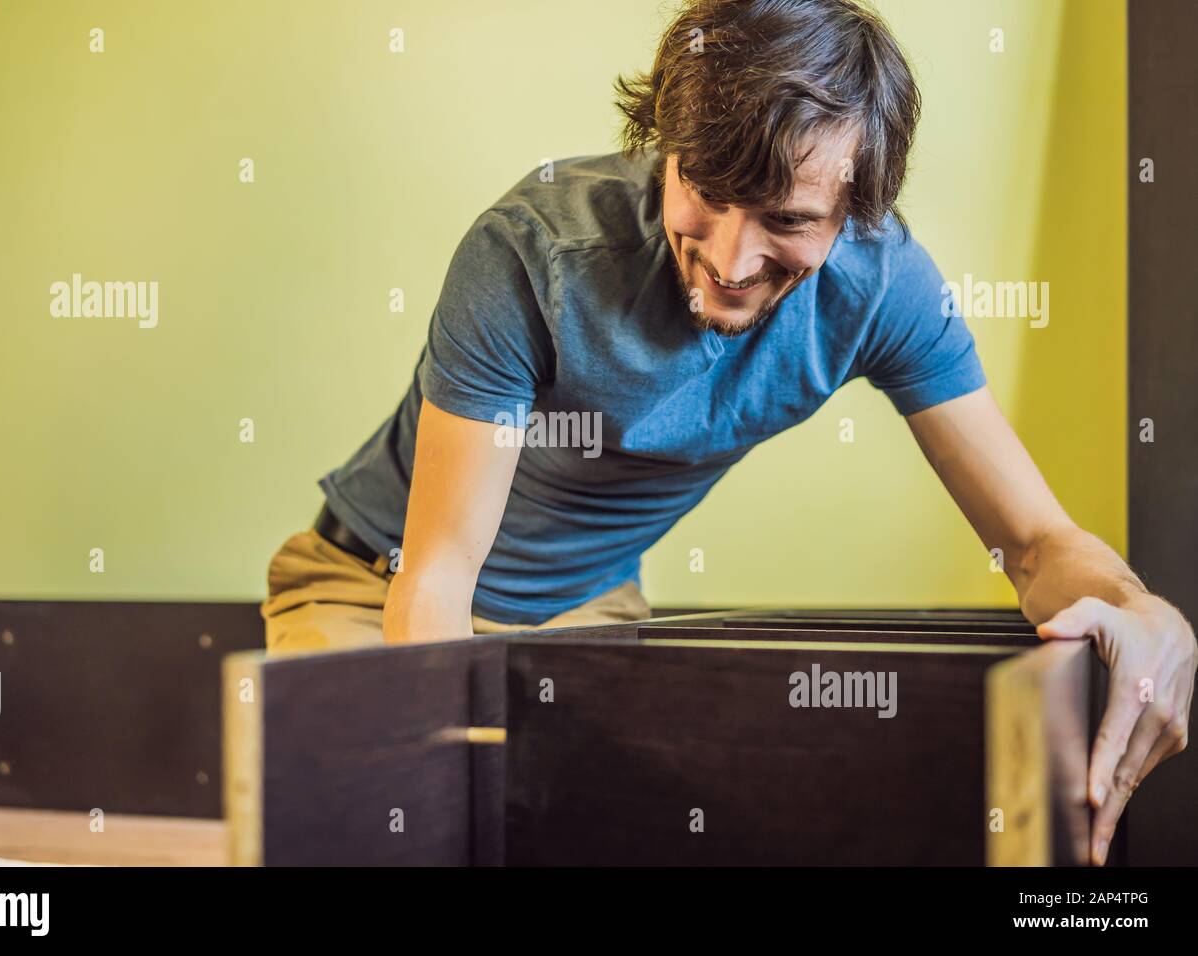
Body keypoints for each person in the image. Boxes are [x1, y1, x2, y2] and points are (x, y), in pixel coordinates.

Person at [261, 0, 1194, 866]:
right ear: (665, 147)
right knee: (371, 827)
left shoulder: (882, 290)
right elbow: (436, 582)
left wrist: (1141, 608)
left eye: (786, 219)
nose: (731, 260)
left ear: (855, 218)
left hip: (586, 615)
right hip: (373, 588)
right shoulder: (530, 255)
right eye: (706, 188)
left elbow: (1036, 545)